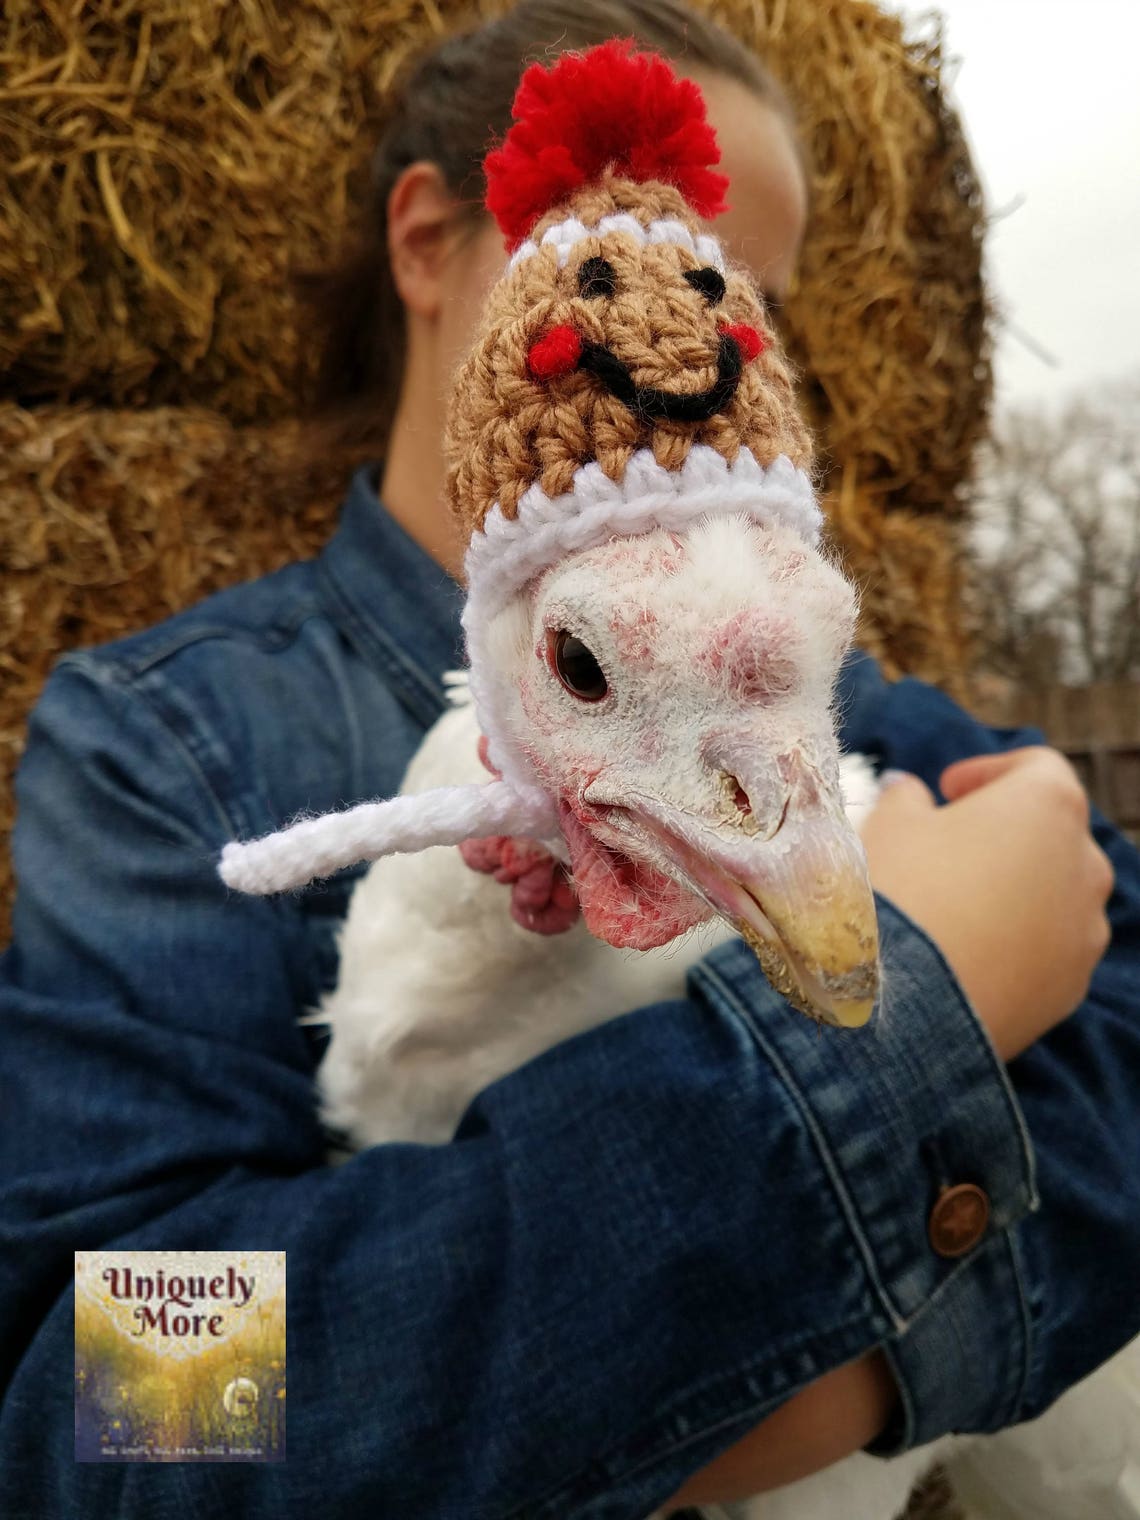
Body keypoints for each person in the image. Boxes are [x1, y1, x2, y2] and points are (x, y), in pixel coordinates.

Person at [0, 1, 1136, 1516]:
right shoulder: (168, 743)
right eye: (641, 243)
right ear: (426, 240)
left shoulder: (844, 707)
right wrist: (918, 1019)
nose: (699, 326)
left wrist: (629, 1401)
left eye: (755, 301)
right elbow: (113, 1401)